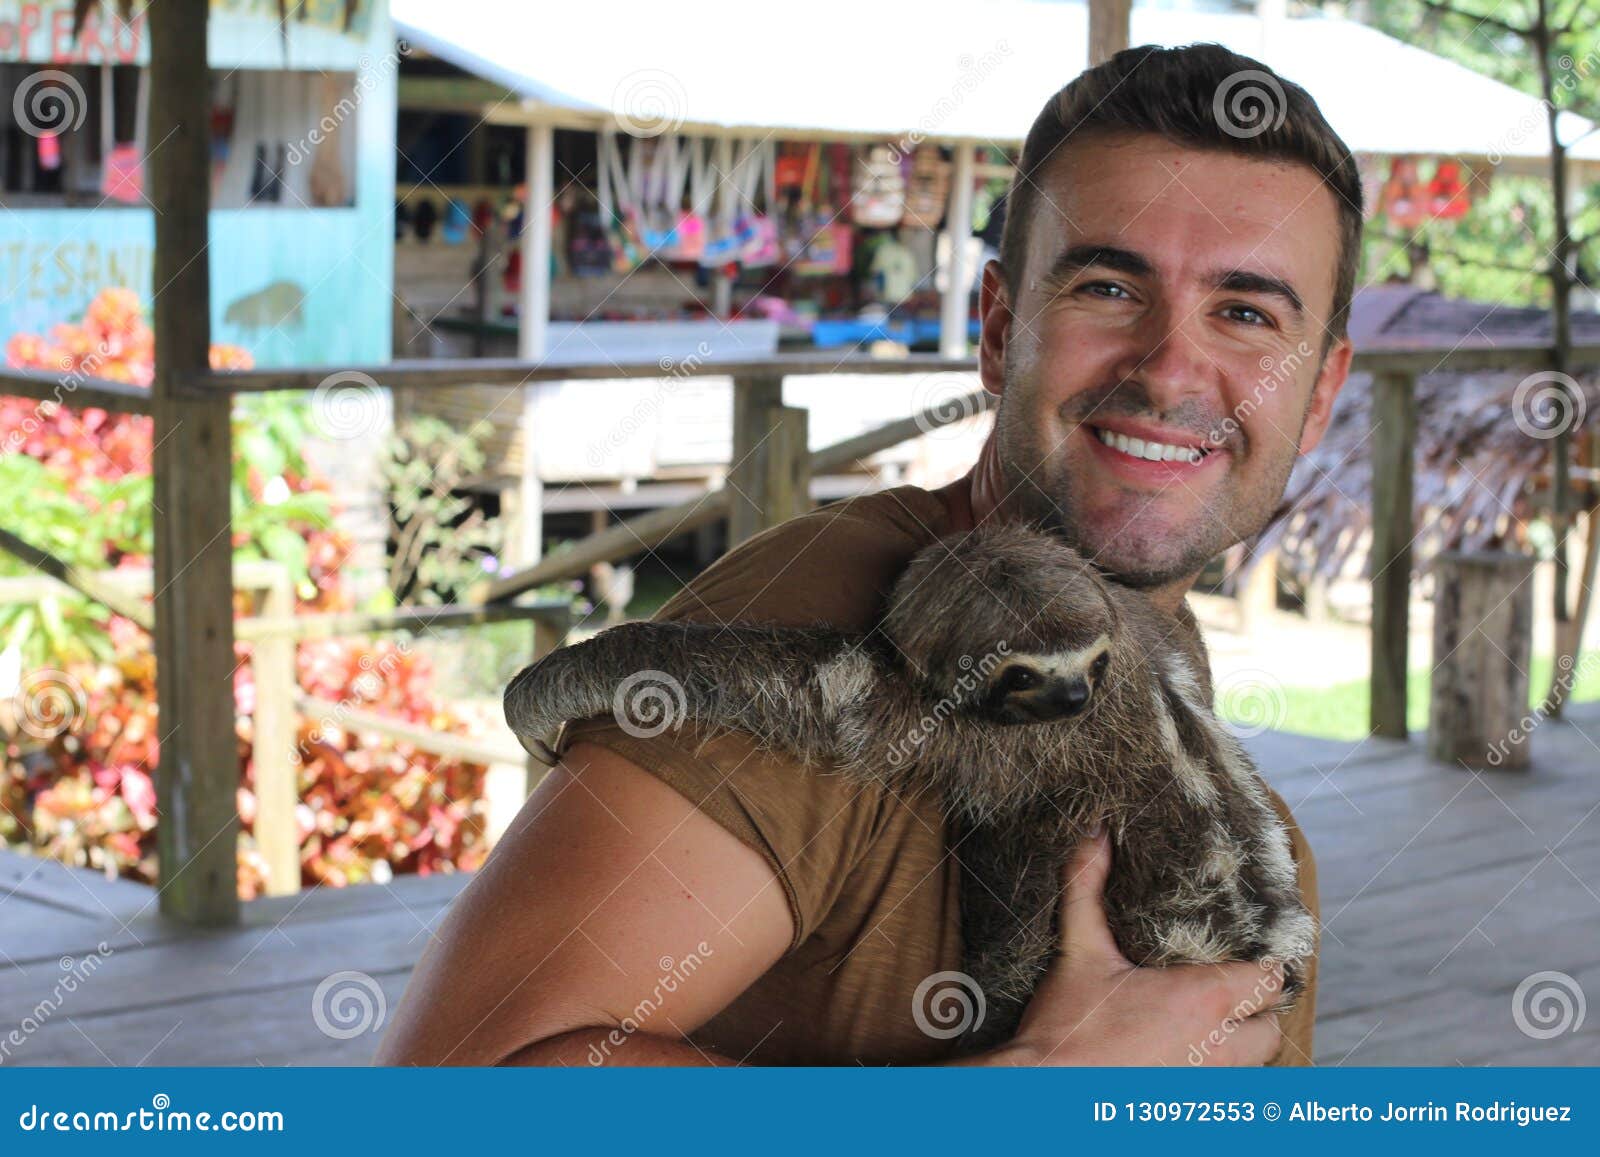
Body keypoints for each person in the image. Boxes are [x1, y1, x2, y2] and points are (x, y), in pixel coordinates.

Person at [376, 41, 1359, 1068]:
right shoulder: (833, 618)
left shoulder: (1205, 744)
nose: (1169, 368)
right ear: (996, 328)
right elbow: (452, 1086)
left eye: (1245, 313)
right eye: (1109, 288)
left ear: (1320, 389)